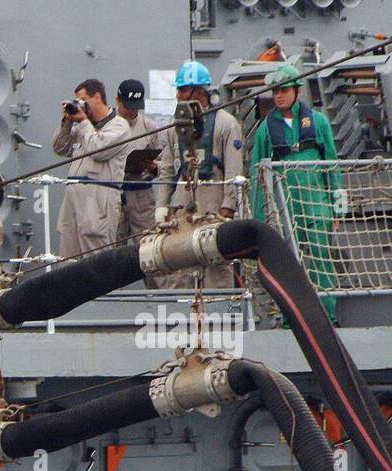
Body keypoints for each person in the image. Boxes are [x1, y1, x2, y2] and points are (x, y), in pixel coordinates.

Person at [249, 62, 341, 320]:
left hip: (317, 204)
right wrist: (257, 219)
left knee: (322, 258)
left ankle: (328, 315)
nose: (278, 95)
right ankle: (294, 319)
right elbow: (257, 173)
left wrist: (339, 209)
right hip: (285, 209)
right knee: (289, 265)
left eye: (284, 90)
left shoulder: (319, 123)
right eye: (275, 91)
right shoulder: (266, 130)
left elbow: (333, 166)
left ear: (296, 91)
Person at [155, 61, 245, 289]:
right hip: (182, 205)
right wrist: (161, 208)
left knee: (215, 264)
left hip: (213, 201)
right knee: (178, 263)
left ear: (199, 91)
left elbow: (234, 170)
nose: (178, 95)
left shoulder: (226, 124)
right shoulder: (174, 127)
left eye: (183, 90)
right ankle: (178, 312)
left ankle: (219, 311)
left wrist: (228, 206)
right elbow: (167, 169)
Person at [51, 78, 131, 260]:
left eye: (82, 100)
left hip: (98, 200)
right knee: (68, 262)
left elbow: (98, 150)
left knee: (95, 262)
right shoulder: (81, 126)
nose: (80, 105)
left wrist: (84, 122)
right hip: (73, 199)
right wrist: (67, 121)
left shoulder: (119, 125)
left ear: (96, 97)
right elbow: (60, 148)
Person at [115, 79, 160, 245]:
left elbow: (165, 162)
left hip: (142, 194)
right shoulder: (106, 126)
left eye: (136, 107)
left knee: (147, 245)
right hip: (114, 192)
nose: (132, 111)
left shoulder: (150, 127)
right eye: (128, 107)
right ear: (117, 100)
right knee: (112, 248)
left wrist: (155, 167)